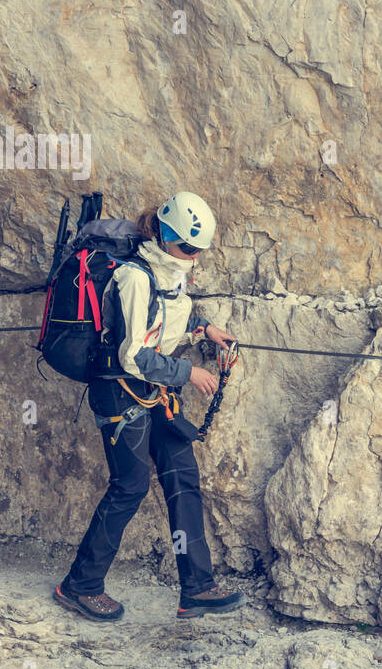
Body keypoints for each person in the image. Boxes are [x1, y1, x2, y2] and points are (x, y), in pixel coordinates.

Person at [54, 191, 244, 621]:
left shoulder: (167, 270)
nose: (193, 258)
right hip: (121, 393)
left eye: (198, 251)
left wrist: (205, 328)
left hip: (153, 392)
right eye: (188, 248)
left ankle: (197, 588)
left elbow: (167, 318)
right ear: (166, 236)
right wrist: (188, 374)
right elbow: (132, 355)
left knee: (182, 477)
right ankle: (80, 585)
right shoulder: (134, 277)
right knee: (131, 484)